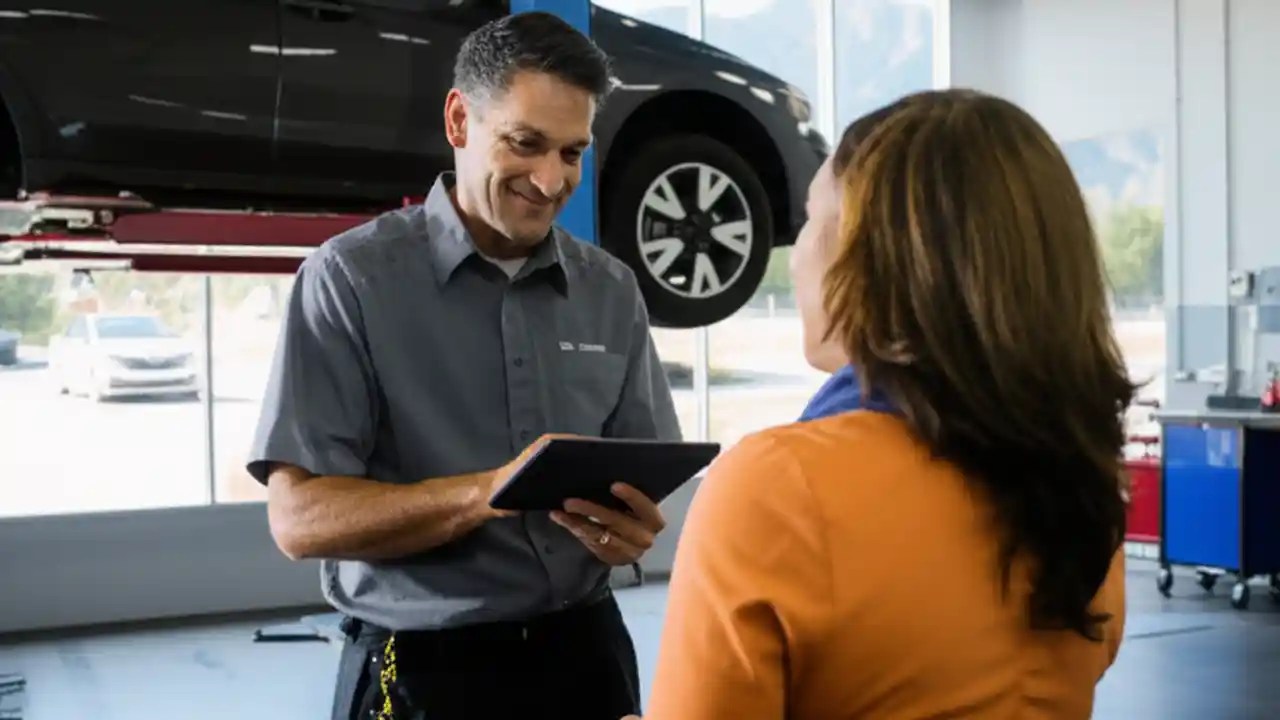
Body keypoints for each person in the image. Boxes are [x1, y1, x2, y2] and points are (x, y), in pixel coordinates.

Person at [634, 90, 1131, 719]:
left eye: (812, 218)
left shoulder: (778, 487)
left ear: (872, 255)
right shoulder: (1085, 484)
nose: (796, 254)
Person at [245, 12, 680, 720]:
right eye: (526, 144)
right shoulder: (350, 280)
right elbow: (299, 521)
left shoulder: (611, 290)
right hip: (418, 668)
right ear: (458, 120)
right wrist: (489, 492)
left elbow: (637, 491)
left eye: (572, 153)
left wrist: (630, 530)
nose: (550, 180)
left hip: (588, 654)